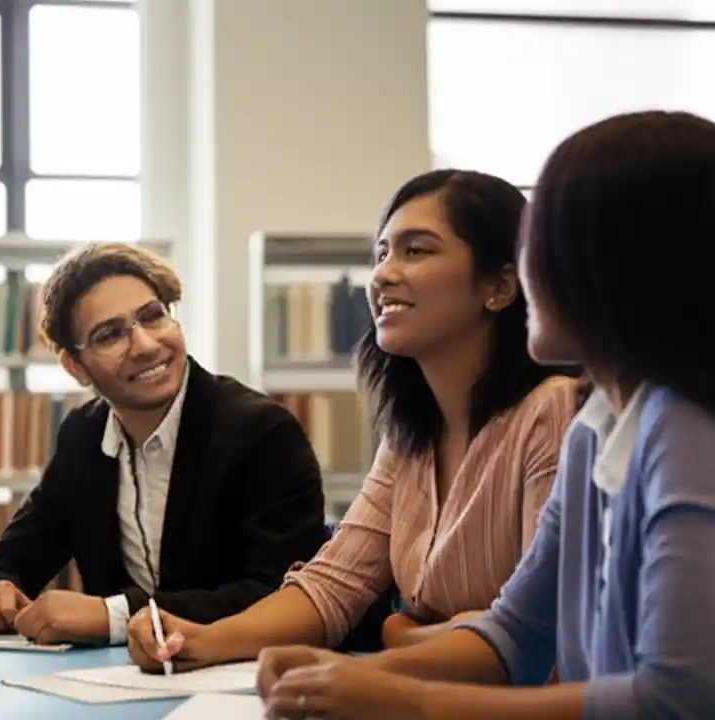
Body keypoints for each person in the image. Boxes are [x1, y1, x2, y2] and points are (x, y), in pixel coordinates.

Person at [254, 110, 715, 720]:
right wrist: (338, 672)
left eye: (543, 243)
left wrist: (401, 695)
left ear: (624, 263)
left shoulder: (686, 433)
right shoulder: (593, 431)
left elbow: (677, 699)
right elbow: (516, 633)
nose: (528, 272)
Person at [129, 170, 580, 672]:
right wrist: (201, 641)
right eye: (382, 253)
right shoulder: (409, 438)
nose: (383, 275)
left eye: (416, 250)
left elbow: (543, 639)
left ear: (497, 286)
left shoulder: (552, 414)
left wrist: (403, 635)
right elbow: (333, 586)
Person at [0, 242, 329, 646]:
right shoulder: (83, 436)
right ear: (75, 367)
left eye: (153, 317)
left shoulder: (261, 432)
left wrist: (111, 615)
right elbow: (15, 554)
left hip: (245, 678)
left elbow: (285, 597)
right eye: (110, 334)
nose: (146, 345)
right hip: (125, 684)